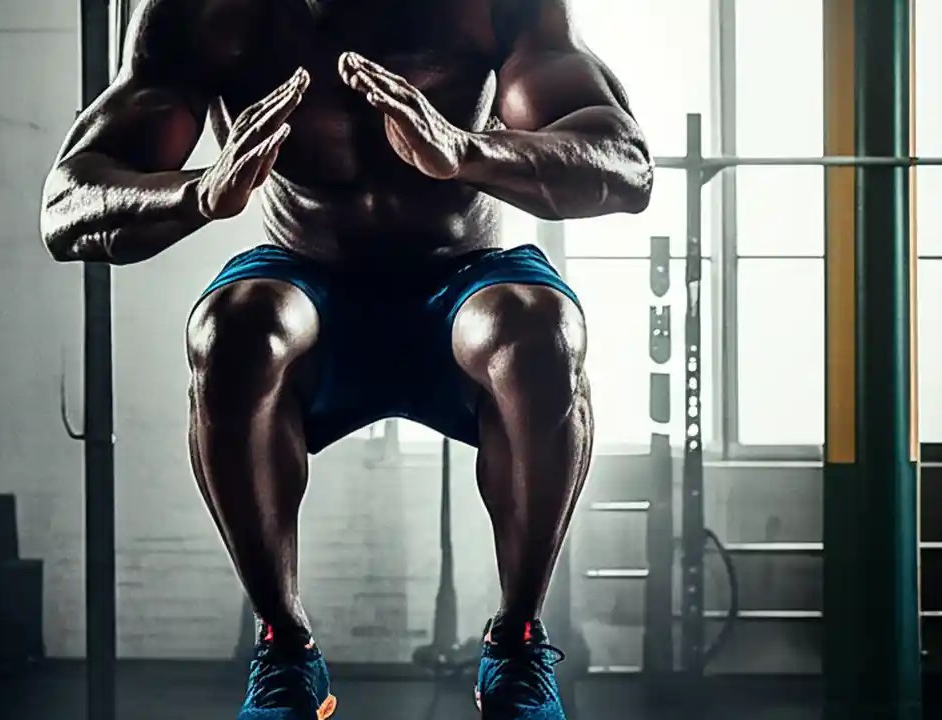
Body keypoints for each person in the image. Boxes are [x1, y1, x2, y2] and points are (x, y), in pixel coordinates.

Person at [40, 0, 652, 717]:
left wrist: (466, 152)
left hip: (460, 280)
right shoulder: (208, 14)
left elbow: (624, 163)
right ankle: (285, 648)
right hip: (309, 281)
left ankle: (516, 644)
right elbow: (67, 204)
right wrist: (199, 193)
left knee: (541, 330)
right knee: (231, 328)